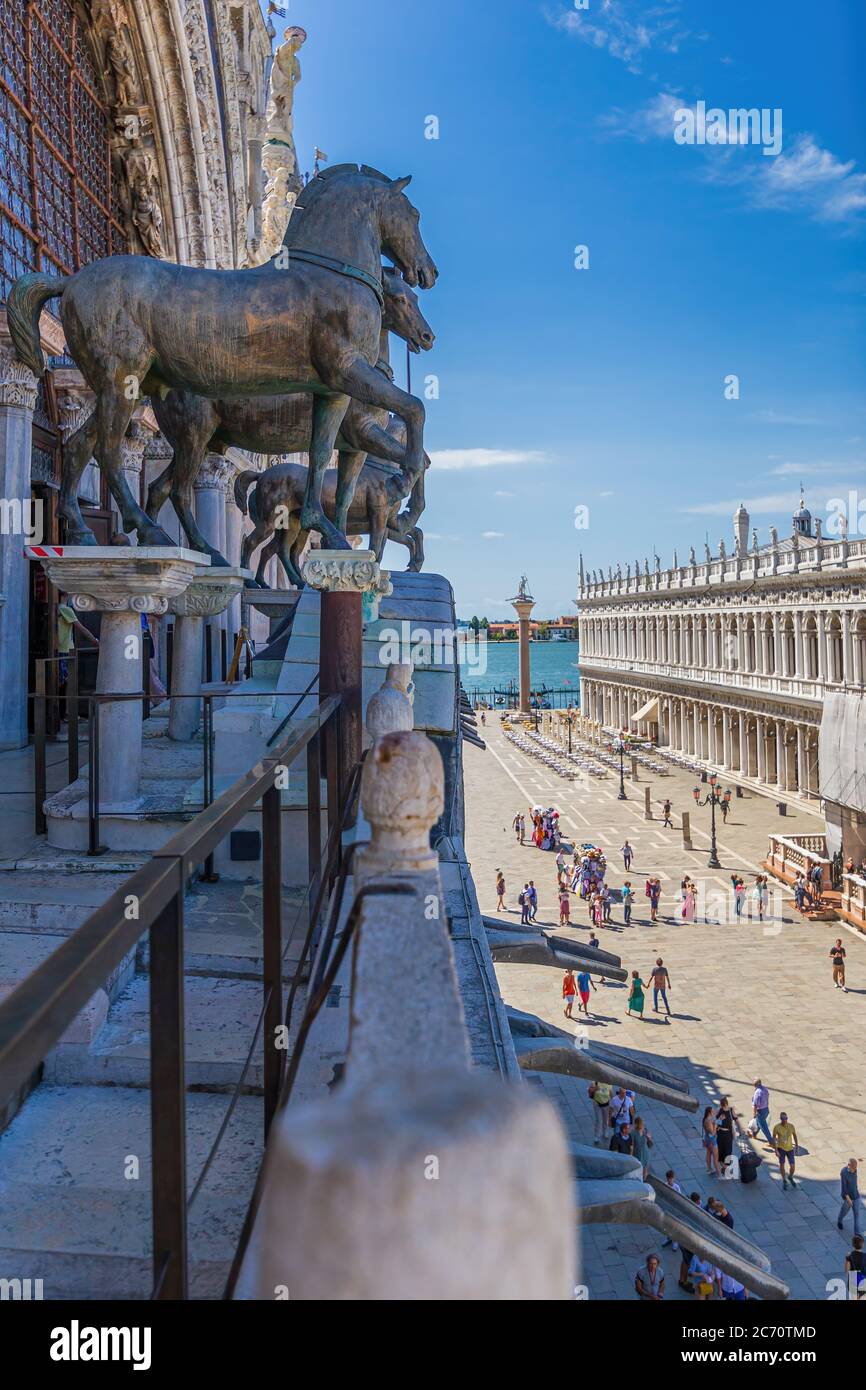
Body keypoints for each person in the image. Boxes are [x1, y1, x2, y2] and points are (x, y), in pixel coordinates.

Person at [772, 1111, 799, 1190]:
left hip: (790, 1148)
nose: (785, 1120)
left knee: (792, 1166)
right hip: (781, 1148)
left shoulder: (791, 1126)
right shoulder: (777, 1127)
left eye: (786, 1118)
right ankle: (784, 1179)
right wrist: (776, 1150)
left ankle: (790, 1176)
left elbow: (794, 1136)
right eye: (783, 1119)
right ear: (781, 1119)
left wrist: (796, 1146)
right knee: (782, 1164)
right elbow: (774, 1138)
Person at [715, 1096, 741, 1170]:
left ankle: (725, 1165)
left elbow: (736, 1120)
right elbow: (715, 1122)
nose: (723, 1106)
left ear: (726, 1103)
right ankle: (722, 1164)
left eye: (724, 1105)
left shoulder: (731, 1110)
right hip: (720, 1133)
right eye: (722, 1105)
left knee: (728, 1149)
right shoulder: (719, 1110)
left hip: (728, 1133)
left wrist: (740, 1130)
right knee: (721, 1149)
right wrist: (720, 1119)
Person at [838, 1159, 862, 1236]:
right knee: (844, 1212)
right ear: (849, 1166)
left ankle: (857, 1233)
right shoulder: (844, 1172)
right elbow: (844, 1188)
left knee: (857, 1215)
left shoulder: (855, 1170)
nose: (855, 1170)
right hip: (847, 1197)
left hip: (856, 1196)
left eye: (855, 1168)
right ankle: (839, 1220)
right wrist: (849, 1200)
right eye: (853, 1168)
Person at [751, 1078, 774, 1145]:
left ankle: (771, 1142)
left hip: (760, 1111)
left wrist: (754, 1113)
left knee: (764, 1127)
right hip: (766, 1109)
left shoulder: (757, 1092)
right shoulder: (765, 1089)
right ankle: (754, 1134)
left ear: (756, 1084)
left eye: (754, 1084)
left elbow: (755, 1105)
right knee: (758, 1123)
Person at [701, 1105, 722, 1178]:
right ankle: (719, 1175)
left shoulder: (706, 1119)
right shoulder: (708, 1121)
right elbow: (712, 1133)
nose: (713, 1111)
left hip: (707, 1139)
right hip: (712, 1141)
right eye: (712, 1111)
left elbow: (715, 1120)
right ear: (709, 1112)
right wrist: (716, 1125)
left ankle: (709, 1169)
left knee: (708, 1154)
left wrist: (718, 1120)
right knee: (716, 1158)